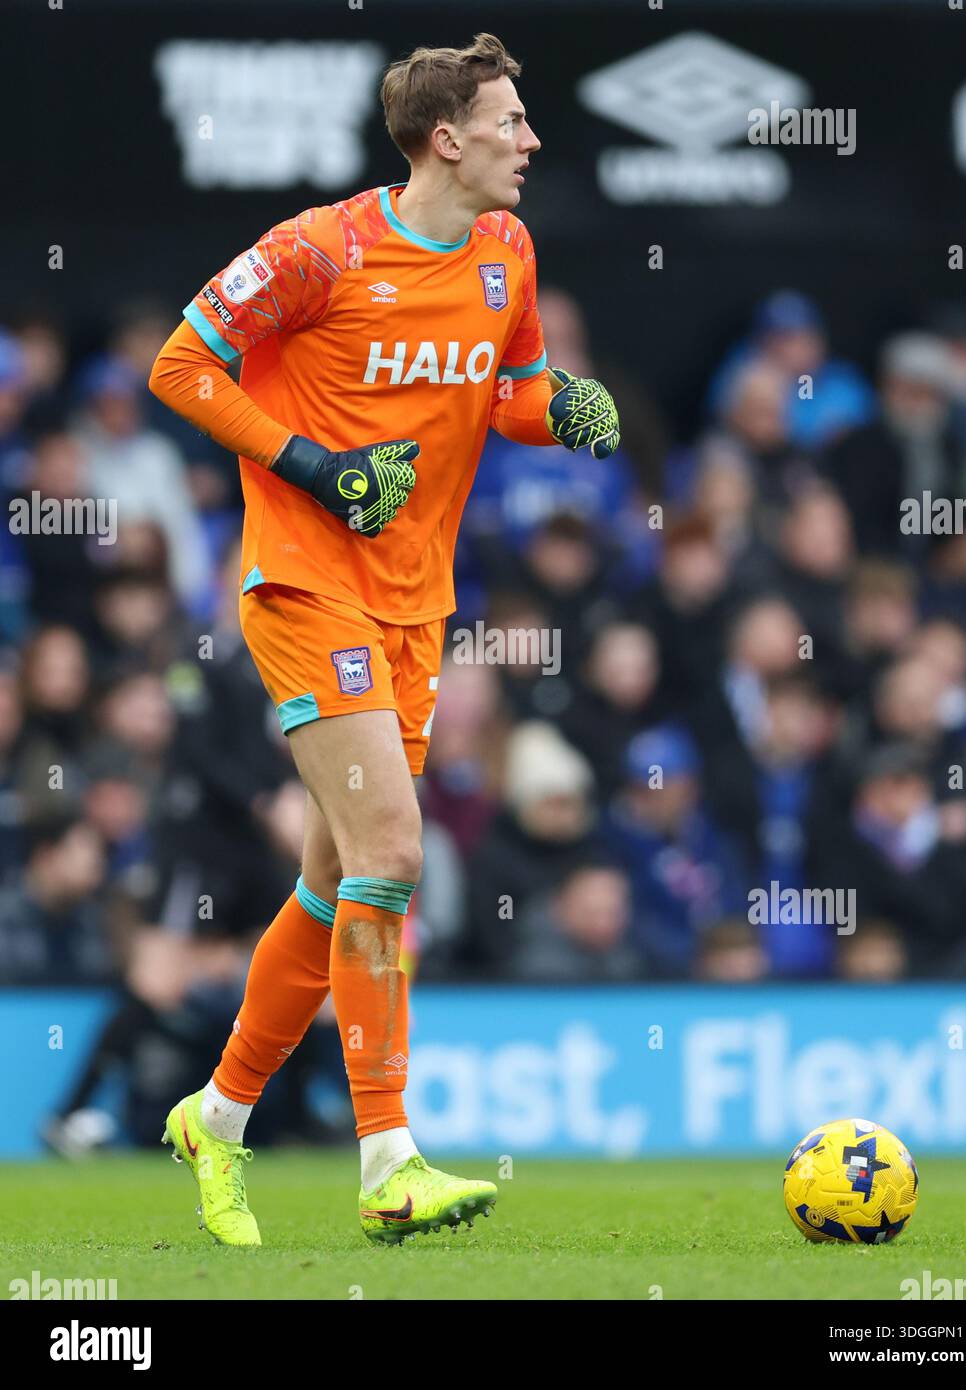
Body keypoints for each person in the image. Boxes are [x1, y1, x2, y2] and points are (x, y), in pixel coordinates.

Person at [148, 33, 621, 1247]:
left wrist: (554, 406)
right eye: (511, 121)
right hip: (308, 583)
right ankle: (387, 1156)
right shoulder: (321, 247)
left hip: (417, 601)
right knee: (396, 852)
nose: (530, 141)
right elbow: (182, 365)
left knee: (332, 881)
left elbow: (499, 388)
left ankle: (218, 1112)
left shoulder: (506, 250)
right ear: (445, 139)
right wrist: (312, 463)